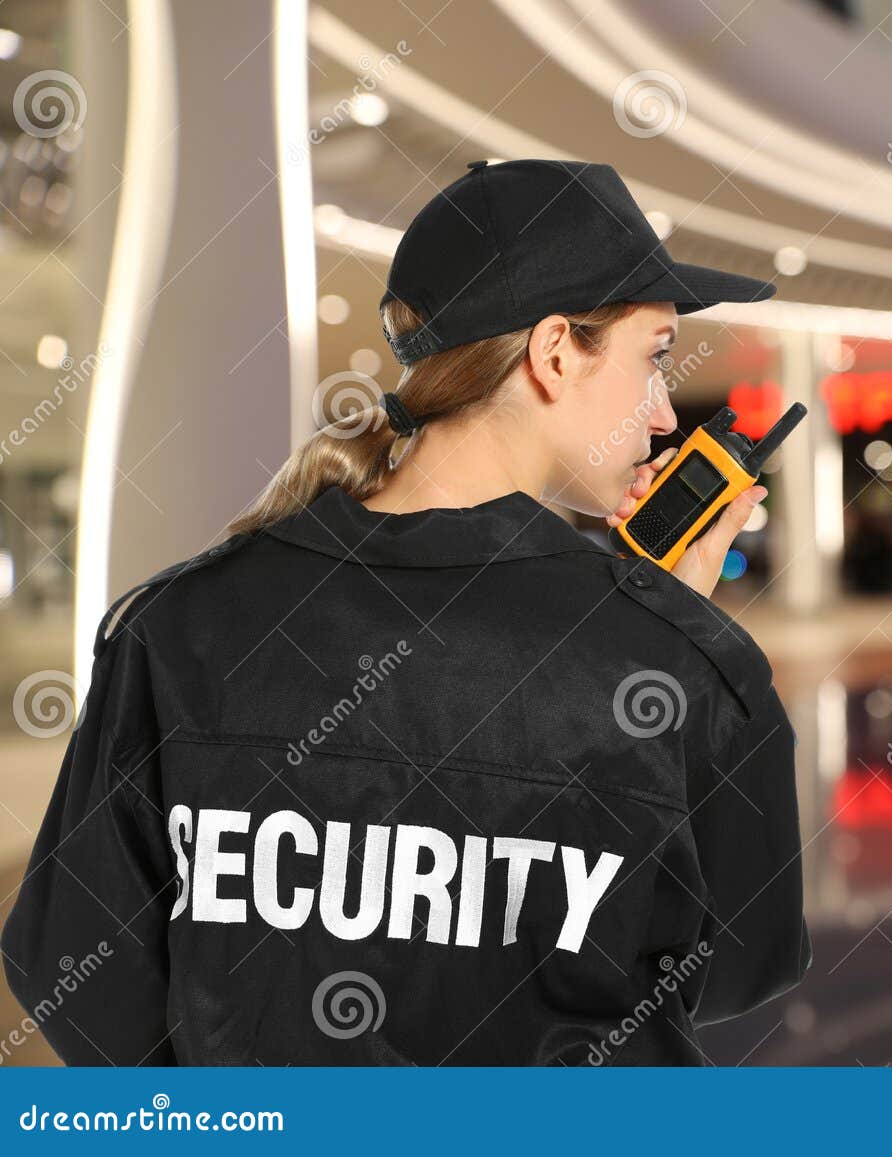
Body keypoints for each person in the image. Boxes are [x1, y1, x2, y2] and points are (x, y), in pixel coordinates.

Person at [1, 158, 811, 1065]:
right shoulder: (681, 665)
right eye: (654, 356)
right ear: (553, 352)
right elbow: (740, 969)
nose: (664, 414)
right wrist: (671, 632)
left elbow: (70, 970)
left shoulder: (175, 625)